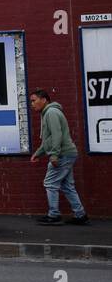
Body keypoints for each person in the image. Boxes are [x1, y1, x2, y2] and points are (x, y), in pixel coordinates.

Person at [29, 89, 88, 225]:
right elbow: (48, 140)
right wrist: (38, 153)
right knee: (67, 186)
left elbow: (57, 135)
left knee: (50, 183)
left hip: (62, 154)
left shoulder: (51, 113)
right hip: (67, 153)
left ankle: (54, 214)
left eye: (34, 100)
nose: (32, 104)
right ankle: (80, 215)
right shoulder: (49, 113)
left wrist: (54, 155)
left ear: (43, 100)